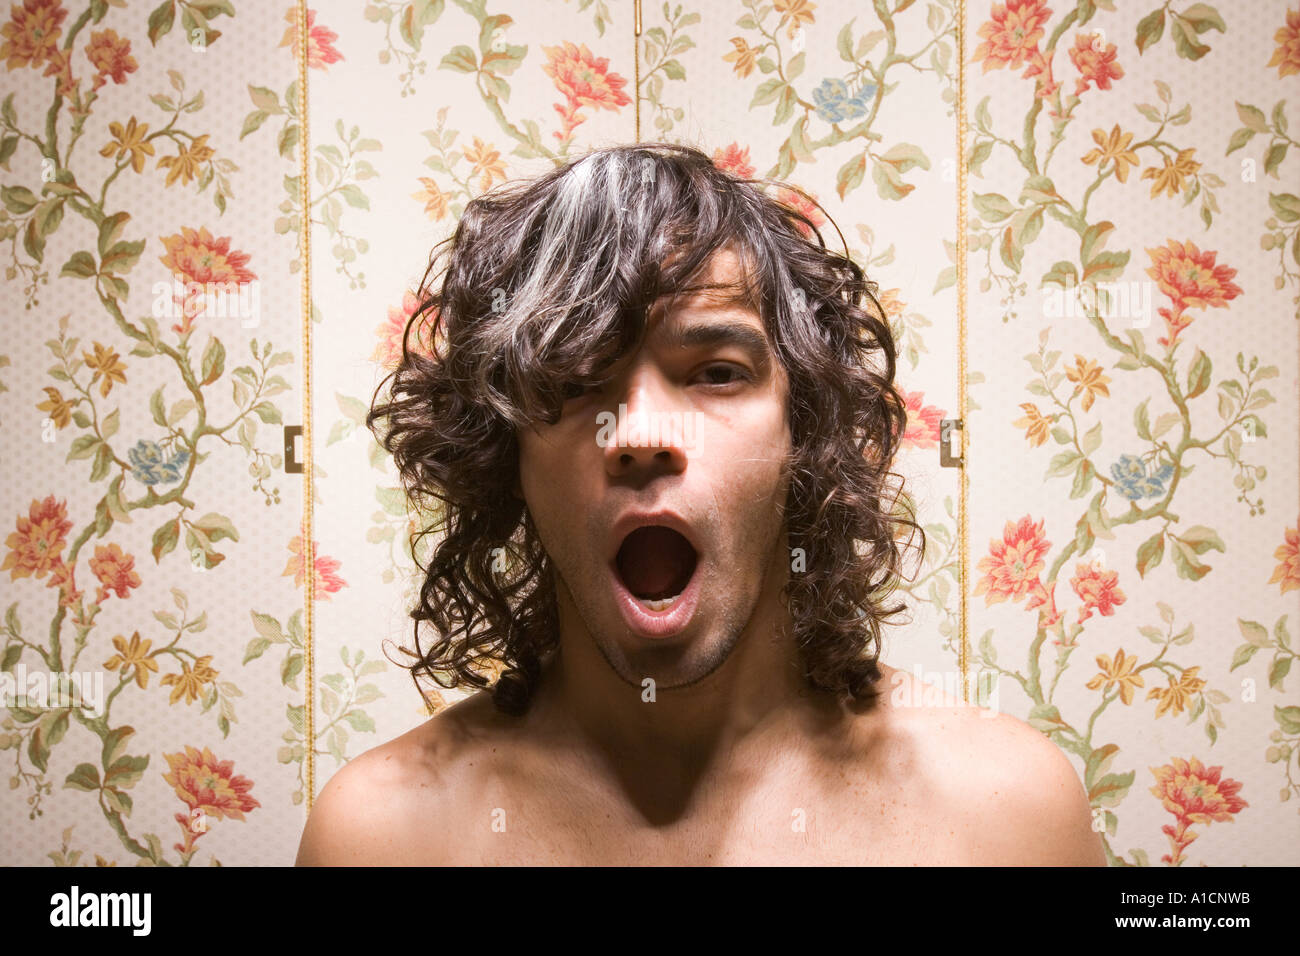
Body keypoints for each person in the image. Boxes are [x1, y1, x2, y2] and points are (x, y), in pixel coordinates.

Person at [295, 143, 1105, 865]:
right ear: (508, 460)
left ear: (805, 431)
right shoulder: (380, 839)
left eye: (718, 372)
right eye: (576, 383)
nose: (638, 432)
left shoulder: (1007, 819)